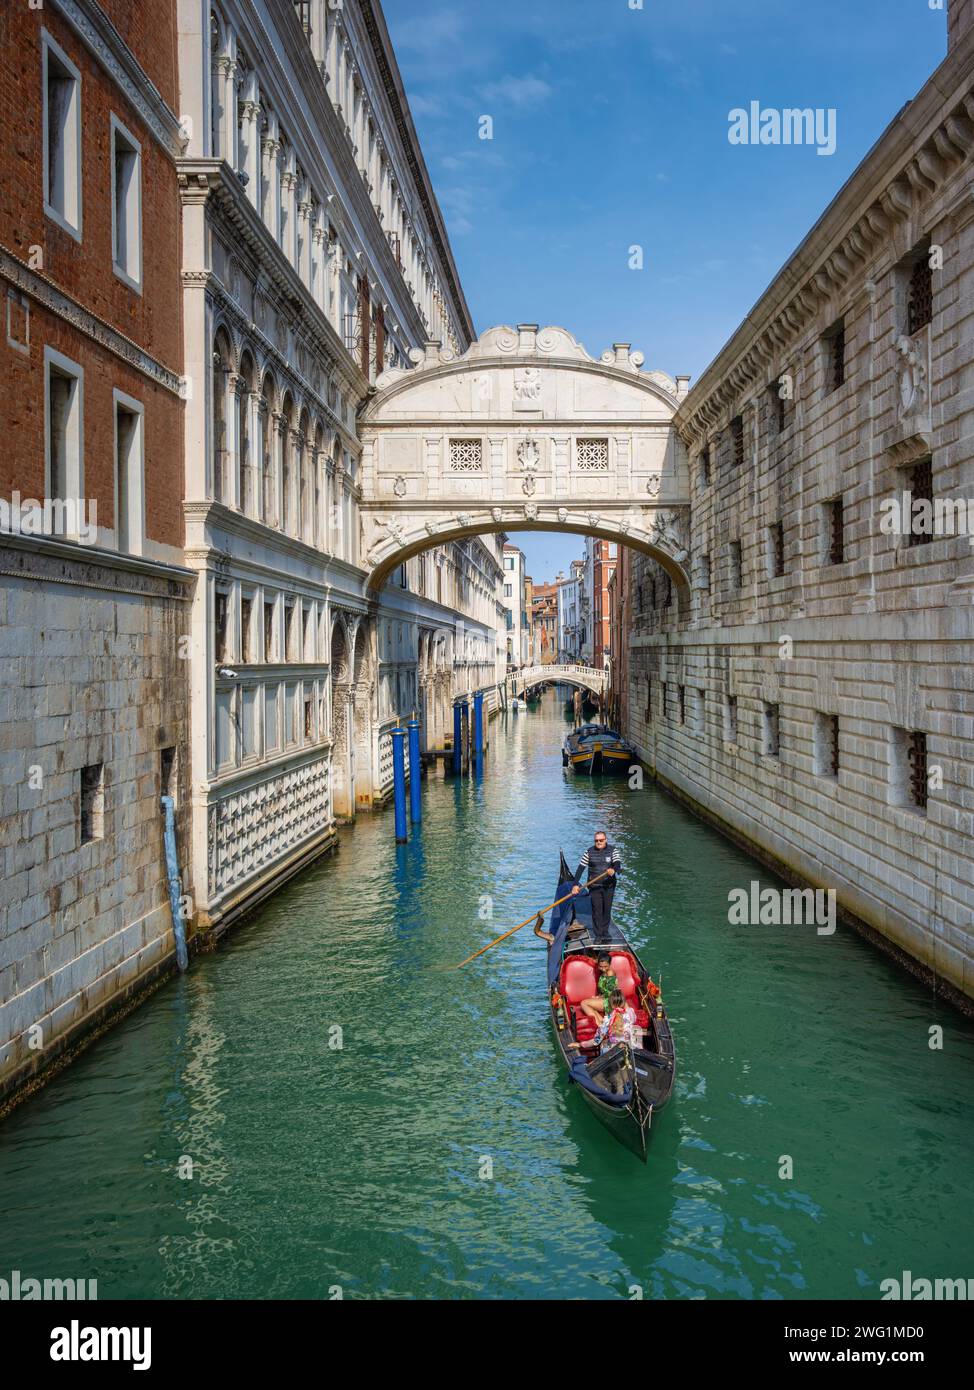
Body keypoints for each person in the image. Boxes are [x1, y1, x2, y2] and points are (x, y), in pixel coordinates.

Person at [571, 831, 621, 943]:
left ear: (605, 840)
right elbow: (580, 868)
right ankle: (598, 935)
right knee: (597, 910)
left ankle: (605, 932)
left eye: (601, 840)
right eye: (596, 840)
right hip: (594, 886)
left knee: (606, 910)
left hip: (609, 886)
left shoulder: (613, 850)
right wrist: (575, 884)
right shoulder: (589, 852)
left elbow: (617, 863)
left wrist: (613, 869)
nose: (598, 842)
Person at [578, 953, 617, 1023]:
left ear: (610, 964)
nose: (603, 969)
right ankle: (602, 1022)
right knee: (590, 1006)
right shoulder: (603, 973)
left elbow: (610, 992)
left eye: (605, 966)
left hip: (610, 1001)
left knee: (583, 1003)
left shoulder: (610, 973)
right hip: (605, 999)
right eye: (601, 967)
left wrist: (599, 998)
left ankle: (598, 1024)